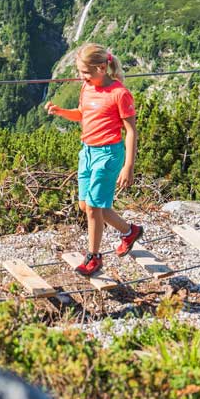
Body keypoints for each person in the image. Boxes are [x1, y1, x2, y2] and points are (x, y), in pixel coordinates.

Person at [46, 43, 143, 276]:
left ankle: (94, 257)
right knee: (87, 205)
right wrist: (61, 112)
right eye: (80, 72)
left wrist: (128, 165)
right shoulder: (86, 88)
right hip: (87, 151)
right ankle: (130, 231)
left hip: (108, 154)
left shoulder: (119, 94)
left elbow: (131, 131)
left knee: (93, 207)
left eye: (86, 73)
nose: (82, 77)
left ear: (101, 68)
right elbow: (82, 114)